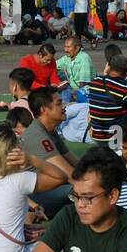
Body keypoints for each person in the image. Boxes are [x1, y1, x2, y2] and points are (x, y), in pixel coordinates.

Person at [22, 86, 80, 214]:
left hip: (50, 186)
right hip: (34, 196)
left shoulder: (49, 131)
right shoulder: (38, 136)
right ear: (44, 110)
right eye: (59, 103)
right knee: (80, 189)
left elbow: (76, 162)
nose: (64, 106)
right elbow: (69, 174)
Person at [84, 53, 127, 144]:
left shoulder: (95, 82)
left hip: (98, 137)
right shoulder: (125, 88)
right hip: (117, 137)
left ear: (108, 66)